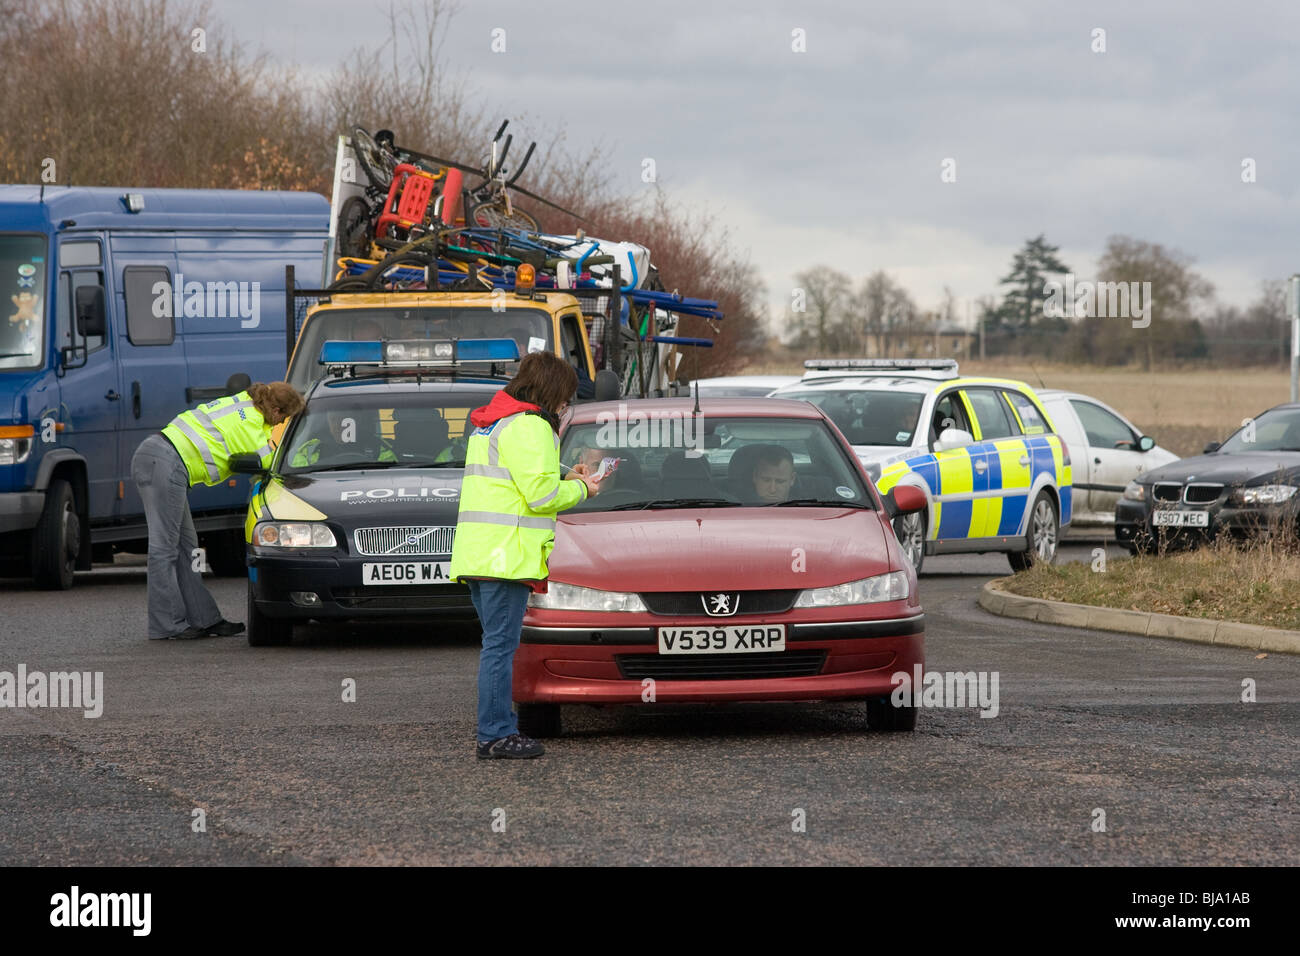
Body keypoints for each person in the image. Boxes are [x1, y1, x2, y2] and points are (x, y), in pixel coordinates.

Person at [450, 351, 600, 759]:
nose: (565, 405)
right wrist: (584, 489)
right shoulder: (531, 425)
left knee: (495, 644)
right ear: (551, 390)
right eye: (565, 396)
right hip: (507, 557)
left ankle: (496, 731)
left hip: (482, 555)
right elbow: (541, 495)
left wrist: (564, 472)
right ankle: (496, 735)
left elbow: (519, 477)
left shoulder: (495, 422)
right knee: (500, 647)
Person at [132, 383, 304, 640]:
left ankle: (205, 619)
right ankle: (166, 625)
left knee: (186, 548)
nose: (282, 423)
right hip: (165, 464)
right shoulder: (250, 426)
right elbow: (269, 463)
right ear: (276, 410)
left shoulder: (244, 403)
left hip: (160, 458)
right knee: (164, 549)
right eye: (285, 418)